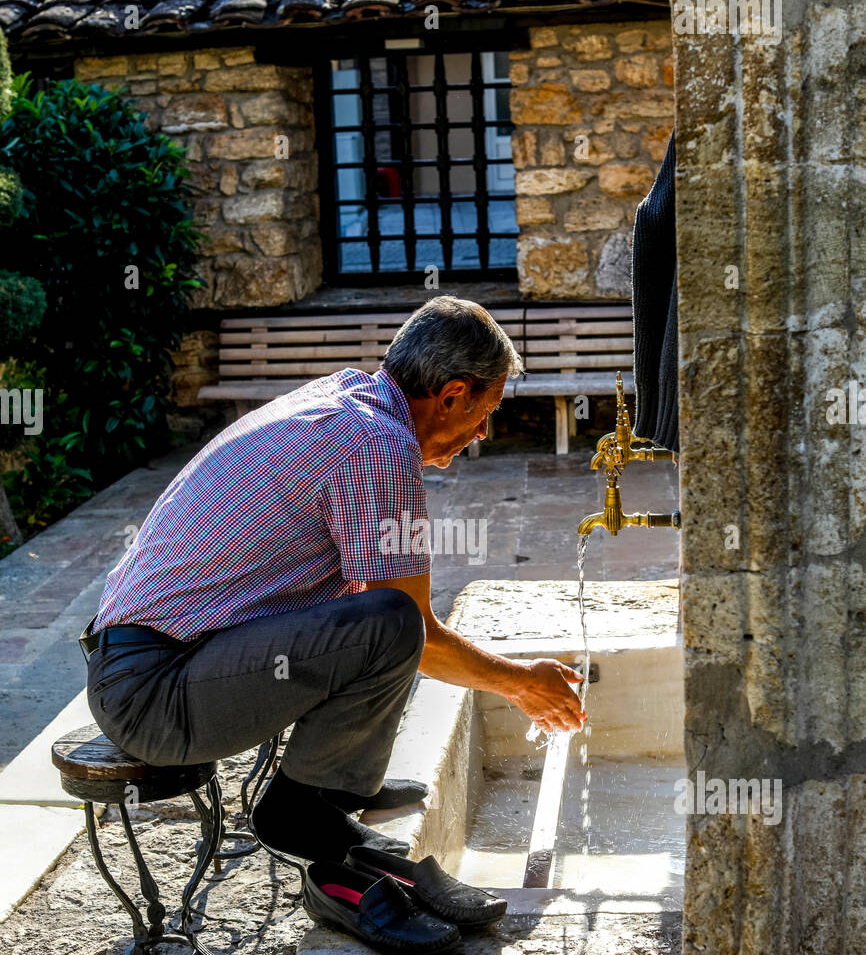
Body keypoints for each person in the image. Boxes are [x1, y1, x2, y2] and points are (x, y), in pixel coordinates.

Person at [82, 295, 586, 867]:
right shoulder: (378, 442)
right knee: (390, 623)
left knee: (370, 614)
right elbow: (413, 631)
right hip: (154, 696)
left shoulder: (348, 397)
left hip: (138, 662)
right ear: (450, 395)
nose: (482, 434)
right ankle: (300, 813)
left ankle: (343, 786)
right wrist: (522, 683)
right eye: (483, 412)